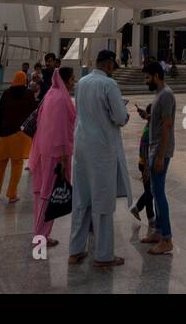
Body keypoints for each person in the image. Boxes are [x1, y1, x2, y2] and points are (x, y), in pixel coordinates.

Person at [67, 50, 131, 269]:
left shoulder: (82, 83)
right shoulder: (109, 85)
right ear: (108, 63)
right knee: (102, 201)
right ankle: (103, 255)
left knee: (81, 199)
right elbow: (120, 117)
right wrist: (125, 113)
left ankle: (75, 250)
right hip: (101, 149)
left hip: (82, 146)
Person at [29, 67, 75, 250]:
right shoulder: (62, 100)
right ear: (64, 80)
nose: (73, 83)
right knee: (49, 194)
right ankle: (40, 238)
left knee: (41, 193)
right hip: (55, 154)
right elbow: (61, 131)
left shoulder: (50, 94)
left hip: (43, 150)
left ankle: (40, 234)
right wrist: (64, 158)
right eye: (72, 79)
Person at [138, 60, 175, 256]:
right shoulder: (159, 94)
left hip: (161, 150)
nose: (146, 81)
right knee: (154, 190)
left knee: (159, 193)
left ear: (156, 76)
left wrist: (160, 156)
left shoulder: (166, 95)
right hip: (154, 147)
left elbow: (168, 126)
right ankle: (159, 232)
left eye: (147, 77)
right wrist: (148, 117)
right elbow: (160, 121)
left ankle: (167, 239)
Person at [0, 71, 35, 202]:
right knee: (17, 165)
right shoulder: (28, 95)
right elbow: (32, 114)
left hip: (3, 134)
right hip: (19, 135)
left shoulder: (6, 94)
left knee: (0, 166)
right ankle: (12, 195)